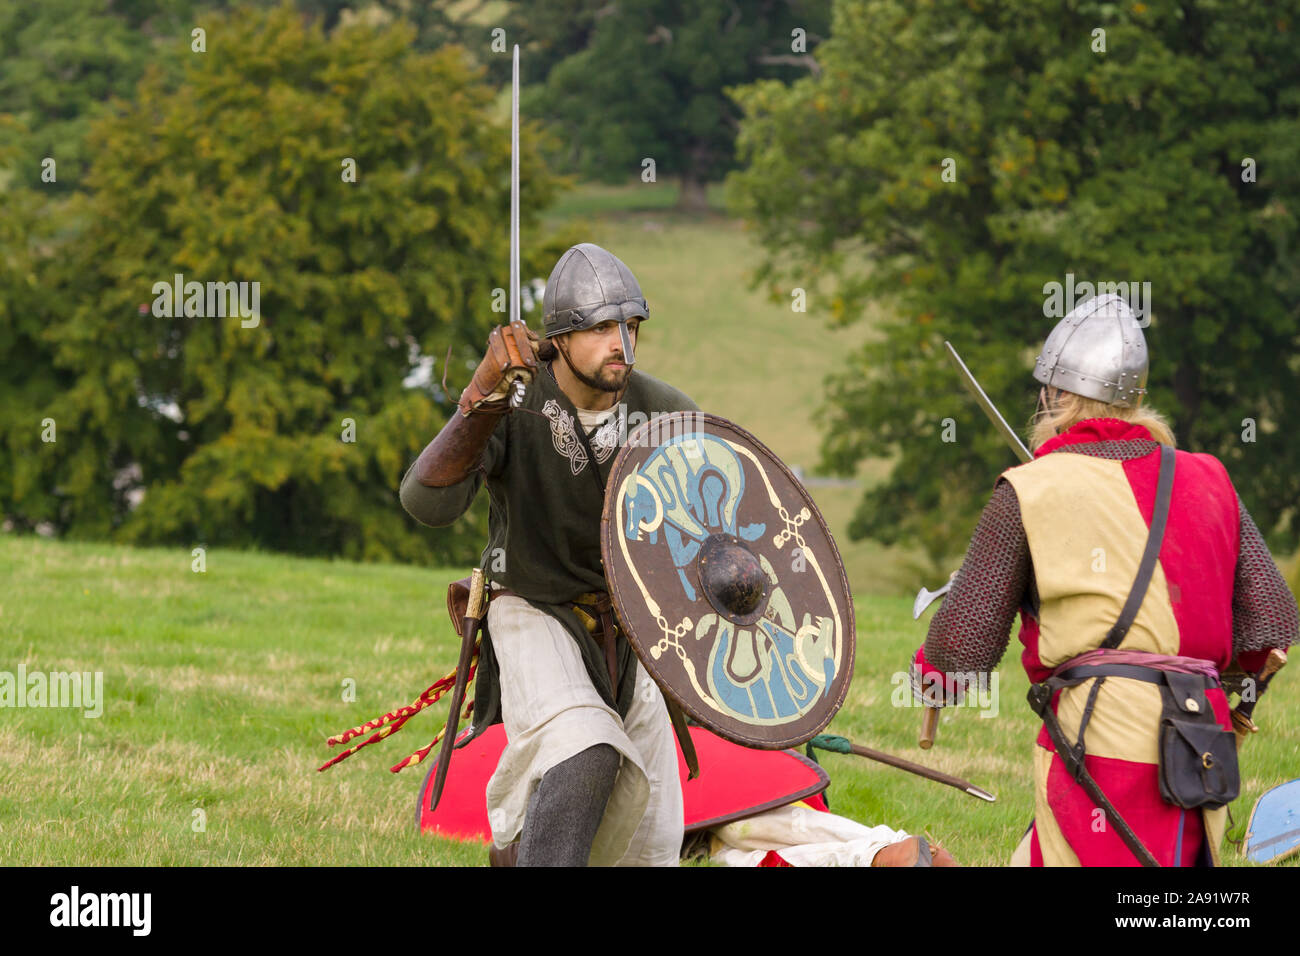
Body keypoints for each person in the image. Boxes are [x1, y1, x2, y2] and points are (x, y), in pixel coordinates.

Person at [911, 294, 1297, 866]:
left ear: (1060, 396)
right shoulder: (1210, 478)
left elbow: (962, 646)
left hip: (1104, 740)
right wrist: (1230, 700)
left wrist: (929, 679)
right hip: (1200, 746)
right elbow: (1272, 626)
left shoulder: (1032, 486)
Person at [400, 242, 698, 866]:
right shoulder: (515, 406)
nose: (622, 341)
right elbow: (427, 502)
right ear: (559, 339)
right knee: (583, 750)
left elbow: (713, 530)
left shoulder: (665, 411)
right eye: (600, 328)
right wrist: (481, 398)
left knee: (651, 842)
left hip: (633, 632)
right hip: (533, 610)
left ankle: (519, 857)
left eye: (630, 325)